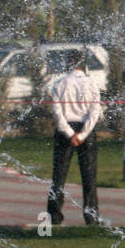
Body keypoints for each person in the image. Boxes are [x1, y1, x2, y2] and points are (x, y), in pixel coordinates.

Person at [46, 49, 103, 226]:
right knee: (89, 176)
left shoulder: (59, 84)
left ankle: (55, 215)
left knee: (59, 176)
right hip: (86, 130)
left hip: (65, 131)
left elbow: (57, 113)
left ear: (68, 63)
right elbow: (94, 112)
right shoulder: (91, 84)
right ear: (83, 65)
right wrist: (83, 134)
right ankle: (91, 216)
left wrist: (70, 134)